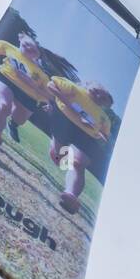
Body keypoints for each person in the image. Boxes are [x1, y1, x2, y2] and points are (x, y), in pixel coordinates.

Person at [46, 77, 115, 214]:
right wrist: (65, 101)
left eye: (104, 100)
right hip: (64, 122)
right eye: (100, 92)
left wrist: (102, 137)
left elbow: (105, 136)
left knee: (78, 163)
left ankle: (70, 195)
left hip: (86, 136)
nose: (100, 96)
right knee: (57, 156)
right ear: (93, 86)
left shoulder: (103, 118)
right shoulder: (73, 88)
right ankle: (57, 150)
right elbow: (50, 84)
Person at [0, 31, 52, 147]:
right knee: (5, 103)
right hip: (7, 79)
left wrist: (49, 103)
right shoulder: (10, 48)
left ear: (37, 55)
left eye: (33, 49)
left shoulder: (42, 75)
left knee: (20, 119)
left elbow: (47, 93)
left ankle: (13, 124)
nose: (28, 48)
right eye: (27, 44)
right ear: (20, 39)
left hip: (28, 94)